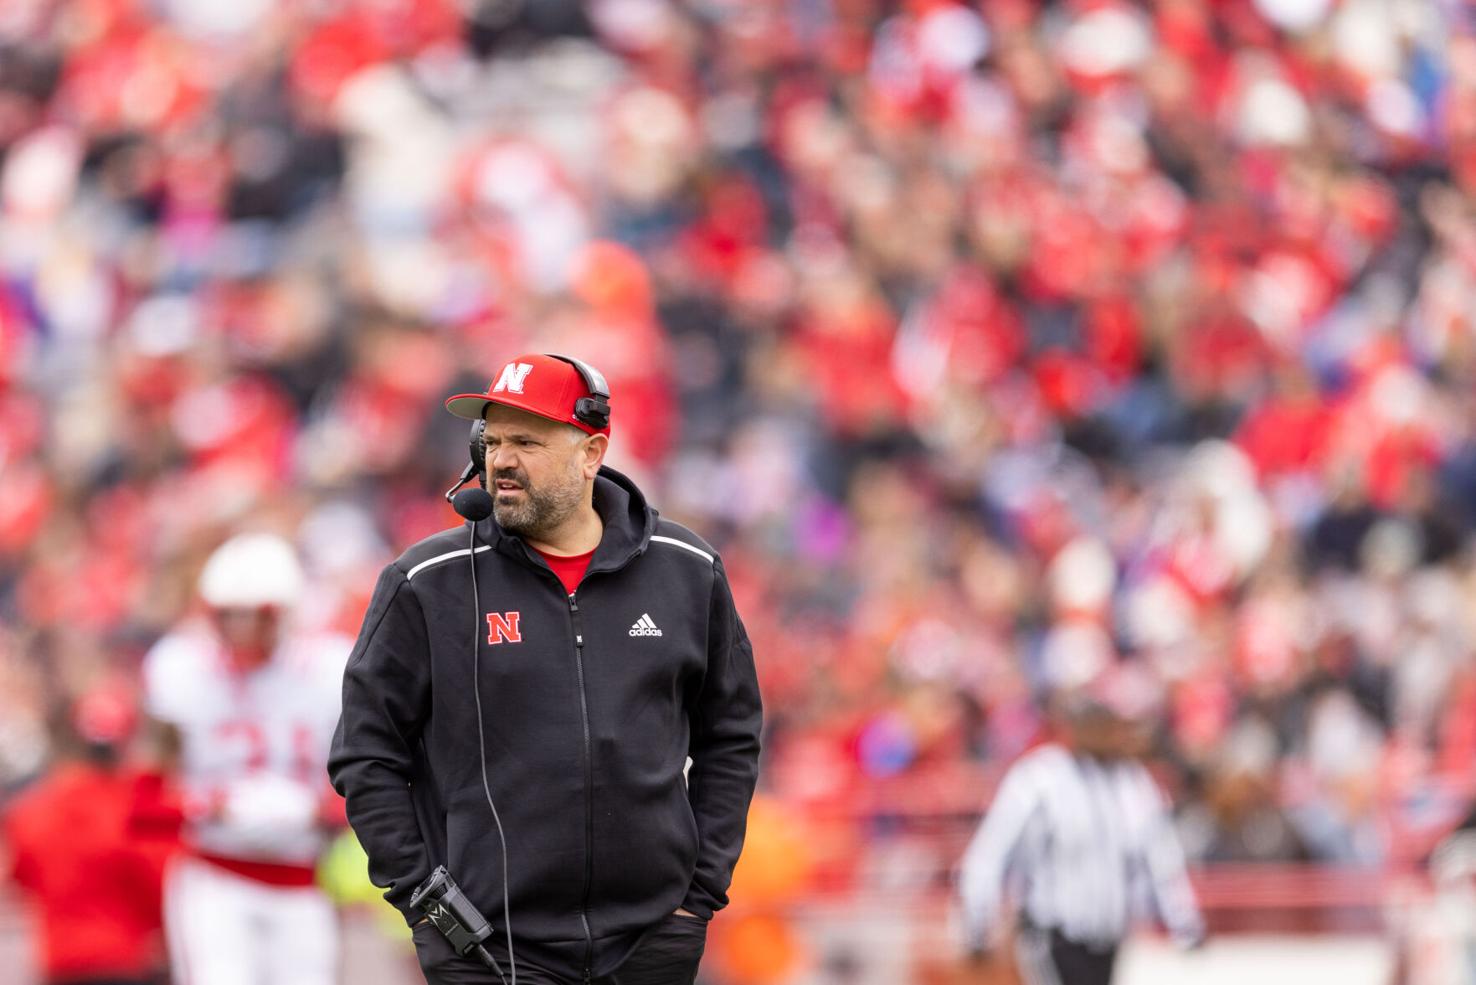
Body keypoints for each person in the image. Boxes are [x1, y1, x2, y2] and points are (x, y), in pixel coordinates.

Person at [329, 352, 763, 985]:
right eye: (494, 440)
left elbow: (732, 736)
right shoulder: (427, 582)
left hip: (650, 942)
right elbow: (365, 752)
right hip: (487, 947)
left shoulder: (687, 571)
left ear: (591, 453)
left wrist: (698, 897)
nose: (502, 459)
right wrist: (423, 899)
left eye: (527, 441)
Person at [138, 533, 352, 985]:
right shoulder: (178, 667)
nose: (238, 629)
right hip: (215, 875)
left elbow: (371, 777)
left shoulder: (332, 668)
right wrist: (207, 804)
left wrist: (324, 809)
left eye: (253, 615)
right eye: (226, 615)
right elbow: (145, 802)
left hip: (302, 878)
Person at [957, 664, 1204, 985]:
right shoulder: (1041, 779)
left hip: (1110, 935)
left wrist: (1184, 922)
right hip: (1054, 932)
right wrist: (977, 923)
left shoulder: (1131, 781)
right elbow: (990, 853)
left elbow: (1160, 854)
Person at [2, 684, 173, 985]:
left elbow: (20, 875)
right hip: (127, 958)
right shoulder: (140, 804)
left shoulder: (33, 809)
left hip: (61, 960)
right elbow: (159, 881)